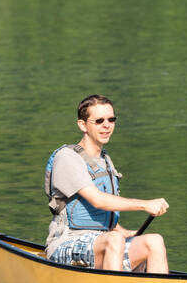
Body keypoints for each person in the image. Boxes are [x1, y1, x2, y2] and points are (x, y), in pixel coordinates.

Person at [44, 95, 169, 273]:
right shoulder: (67, 158)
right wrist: (144, 205)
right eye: (99, 121)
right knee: (114, 239)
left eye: (111, 119)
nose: (107, 125)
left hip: (105, 242)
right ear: (82, 125)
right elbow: (97, 200)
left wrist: (124, 232)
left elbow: (98, 212)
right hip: (66, 243)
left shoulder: (105, 160)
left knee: (154, 241)